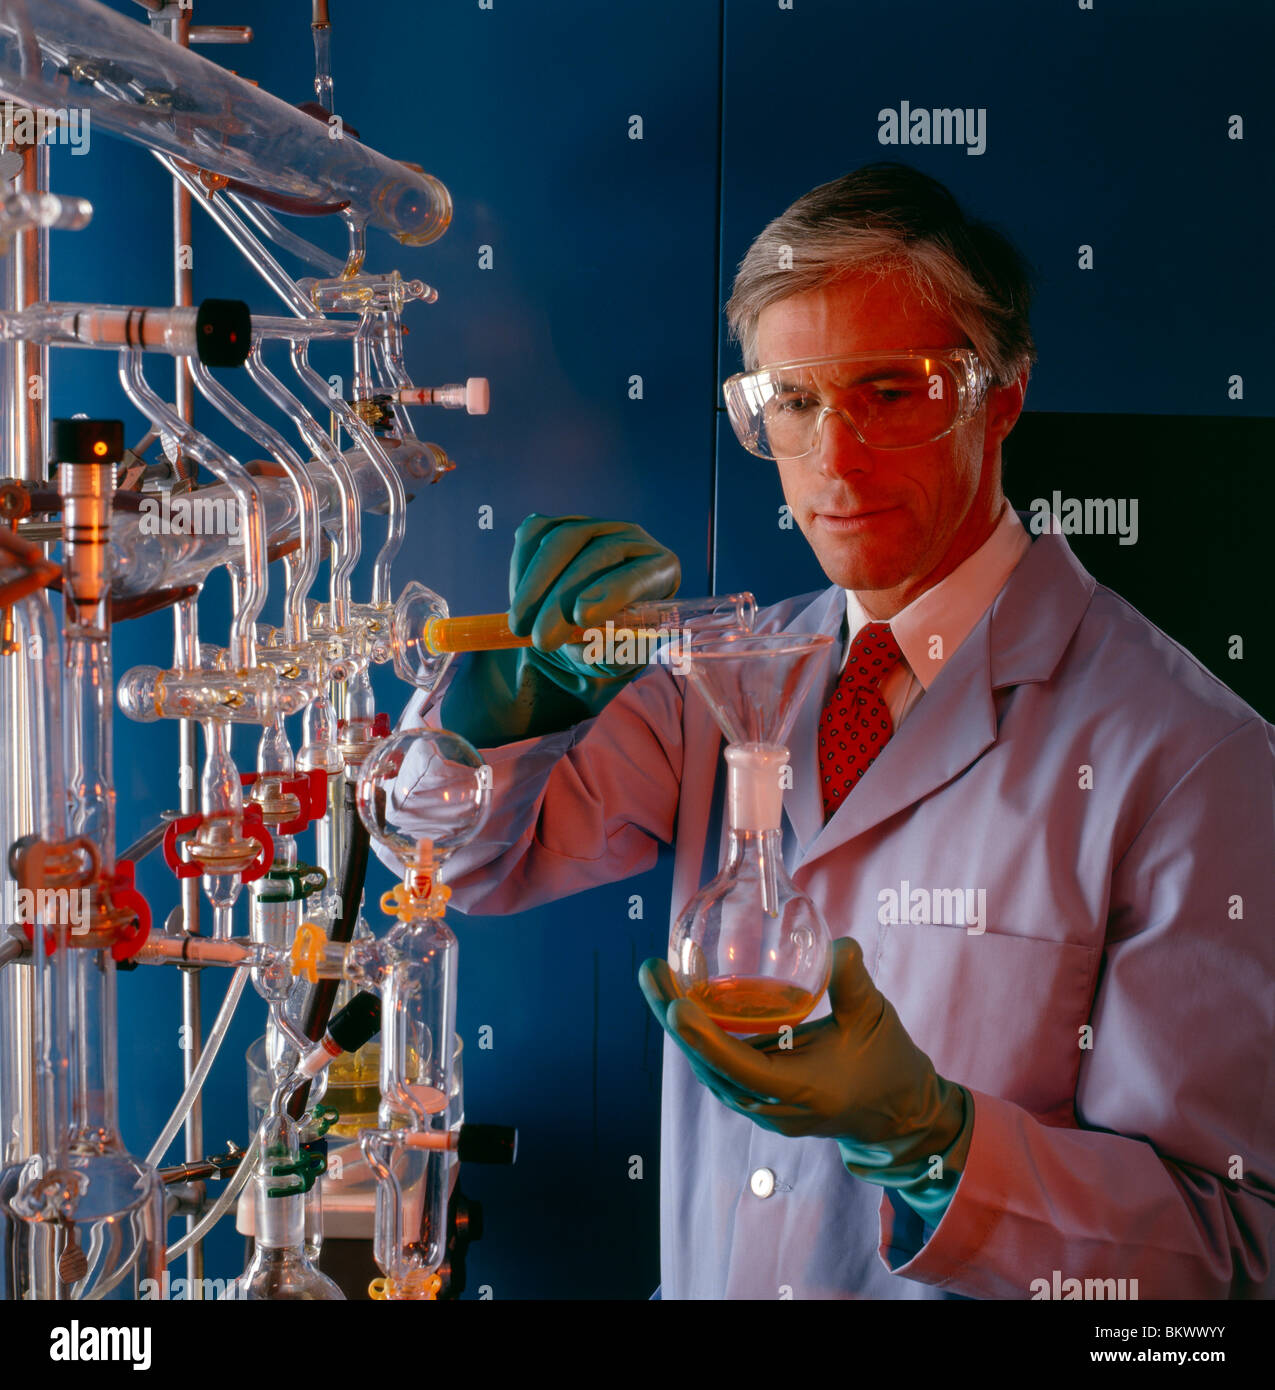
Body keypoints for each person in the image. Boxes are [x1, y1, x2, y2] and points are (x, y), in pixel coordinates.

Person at [388, 163, 1275, 1299]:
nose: (836, 463)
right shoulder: (741, 671)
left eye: (892, 393)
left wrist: (935, 1143)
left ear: (1000, 396)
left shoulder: (1189, 756)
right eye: (795, 404)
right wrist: (507, 703)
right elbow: (460, 858)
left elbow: (1227, 1258)